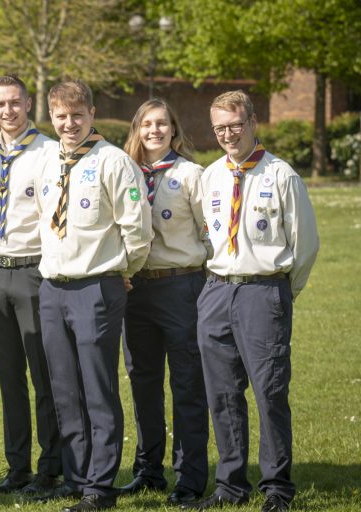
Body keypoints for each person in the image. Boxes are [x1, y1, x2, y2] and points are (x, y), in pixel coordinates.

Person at [182, 90, 319, 512]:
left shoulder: (281, 175)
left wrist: (279, 293)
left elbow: (306, 245)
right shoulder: (212, 176)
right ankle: (230, 485)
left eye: (235, 125)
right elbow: (210, 234)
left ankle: (277, 488)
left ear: (253, 122)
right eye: (220, 127)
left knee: (269, 392)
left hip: (263, 291)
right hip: (218, 289)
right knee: (221, 392)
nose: (228, 134)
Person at [34, 80, 152, 511]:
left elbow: (137, 231)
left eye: (77, 115)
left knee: (97, 387)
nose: (69, 124)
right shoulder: (48, 161)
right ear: (52, 117)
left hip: (96, 286)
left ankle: (100, 487)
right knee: (64, 388)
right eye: (61, 116)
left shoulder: (114, 162)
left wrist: (123, 272)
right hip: (53, 288)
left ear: (92, 113)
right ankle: (77, 475)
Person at [118, 98, 209, 505]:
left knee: (188, 382)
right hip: (135, 289)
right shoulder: (124, 172)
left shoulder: (192, 175)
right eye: (147, 124)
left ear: (174, 129)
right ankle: (148, 470)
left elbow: (210, 233)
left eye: (162, 124)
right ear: (136, 130)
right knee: (143, 383)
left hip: (182, 287)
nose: (154, 131)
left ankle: (189, 476)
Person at [0, 75, 62, 495]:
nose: (7, 110)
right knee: (9, 376)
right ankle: (17, 467)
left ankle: (51, 466)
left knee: (43, 374)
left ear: (29, 104)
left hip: (34, 270)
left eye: (15, 102)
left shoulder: (49, 152)